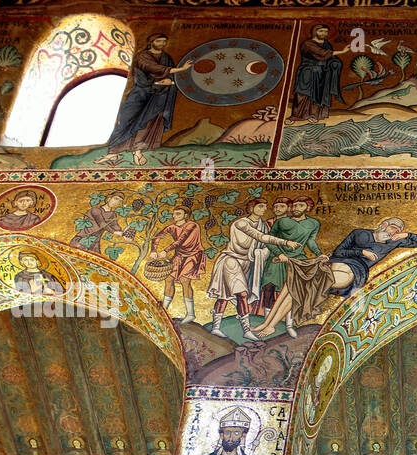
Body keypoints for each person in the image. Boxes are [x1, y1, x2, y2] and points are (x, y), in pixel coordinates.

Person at [206, 198, 302, 341]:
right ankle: (239, 330)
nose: (264, 209)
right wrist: (286, 242)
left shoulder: (263, 224)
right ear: (251, 208)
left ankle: (218, 328)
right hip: (231, 260)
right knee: (238, 294)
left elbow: (265, 243)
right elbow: (261, 237)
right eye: (260, 206)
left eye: (265, 206)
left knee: (228, 295)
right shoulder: (241, 223)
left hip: (247, 263)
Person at [99, 34, 193, 167]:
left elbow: (170, 75)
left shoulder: (166, 58)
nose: (162, 44)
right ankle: (113, 151)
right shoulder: (142, 56)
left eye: (164, 41)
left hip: (159, 95)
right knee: (127, 118)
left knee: (149, 122)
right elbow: (152, 68)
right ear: (151, 42)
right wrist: (181, 69)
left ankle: (138, 150)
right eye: (159, 41)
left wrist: (170, 81)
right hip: (141, 93)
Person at [251, 197, 325, 338]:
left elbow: (310, 241)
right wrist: (280, 253)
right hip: (279, 258)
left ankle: (281, 325)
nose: (296, 208)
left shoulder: (313, 223)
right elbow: (269, 240)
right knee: (273, 290)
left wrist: (319, 254)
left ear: (307, 207)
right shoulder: (282, 221)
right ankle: (266, 323)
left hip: (298, 260)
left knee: (293, 292)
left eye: (300, 205)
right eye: (295, 205)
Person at [326, 217, 417, 298]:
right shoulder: (359, 233)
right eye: (393, 228)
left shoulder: (393, 242)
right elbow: (338, 252)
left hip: (359, 271)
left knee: (342, 280)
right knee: (336, 276)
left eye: (398, 231)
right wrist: (362, 252)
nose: (394, 232)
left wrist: (407, 235)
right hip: (343, 261)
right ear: (383, 225)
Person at [150, 205, 206, 322]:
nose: (174, 216)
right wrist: (154, 250)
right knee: (169, 279)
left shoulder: (192, 225)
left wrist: (165, 250)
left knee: (185, 280)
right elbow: (157, 236)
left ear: (186, 215)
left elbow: (181, 240)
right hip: (179, 255)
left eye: (178, 214)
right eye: (174, 214)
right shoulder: (172, 227)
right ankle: (163, 311)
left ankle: (191, 314)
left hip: (193, 255)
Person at [291, 24, 349, 121]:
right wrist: (342, 52)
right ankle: (297, 116)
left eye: (326, 31)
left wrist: (335, 63)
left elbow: (330, 58)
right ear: (315, 31)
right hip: (308, 71)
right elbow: (321, 53)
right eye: (321, 31)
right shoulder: (308, 44)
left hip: (322, 73)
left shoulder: (326, 44)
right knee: (303, 93)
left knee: (319, 95)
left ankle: (314, 115)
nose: (324, 33)